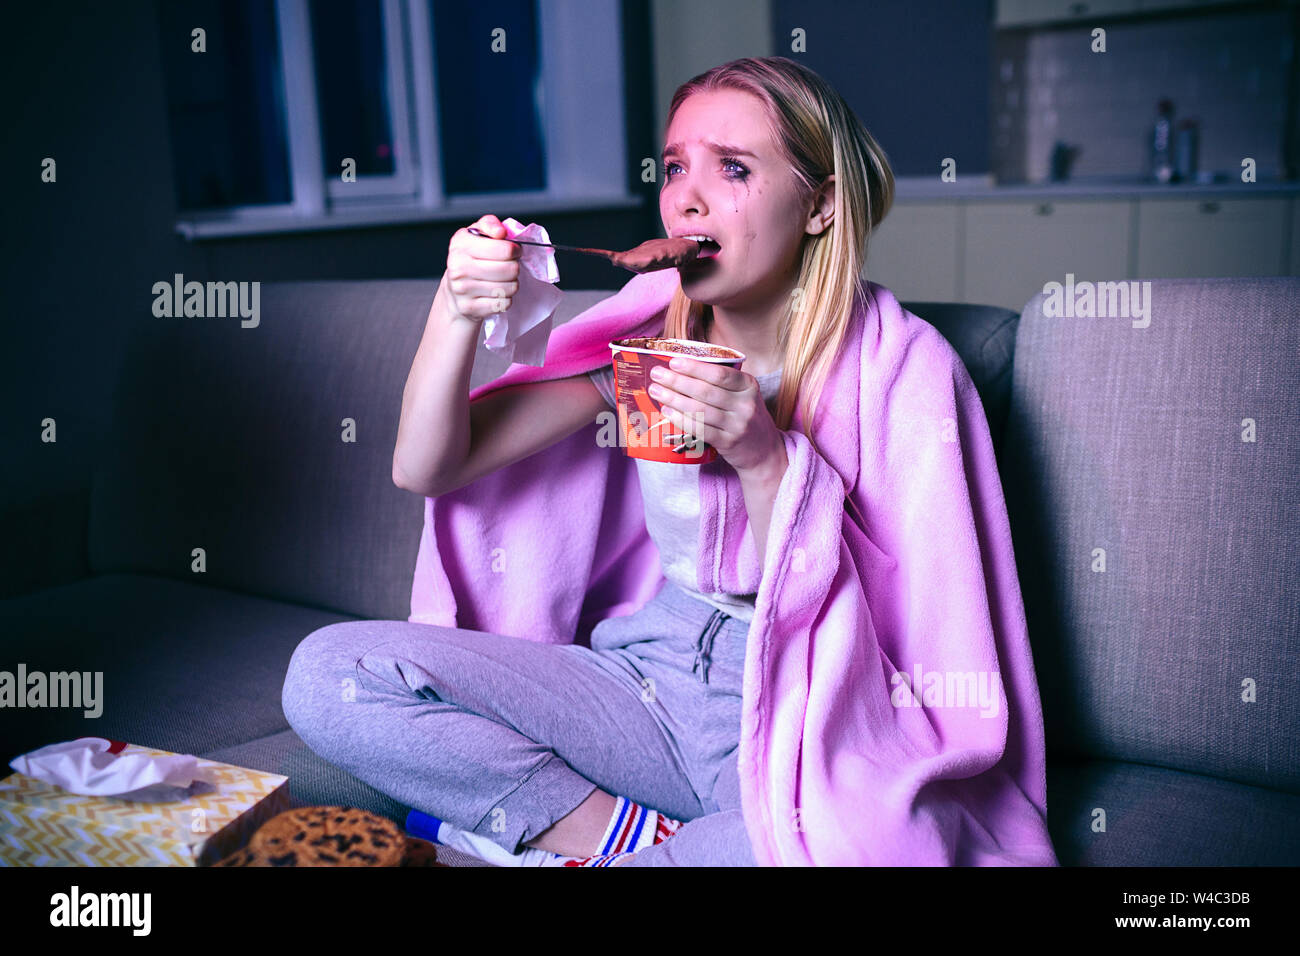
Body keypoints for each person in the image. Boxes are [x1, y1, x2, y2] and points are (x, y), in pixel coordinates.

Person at [282, 56, 1049, 867]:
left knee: (879, 844)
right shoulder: (650, 342)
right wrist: (455, 308)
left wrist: (760, 455)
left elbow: (910, 634)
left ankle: (580, 840)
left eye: (734, 169)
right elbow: (428, 467)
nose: (686, 194)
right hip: (646, 676)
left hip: (809, 700)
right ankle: (612, 836)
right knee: (331, 673)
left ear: (820, 205)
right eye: (677, 165)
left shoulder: (904, 370)